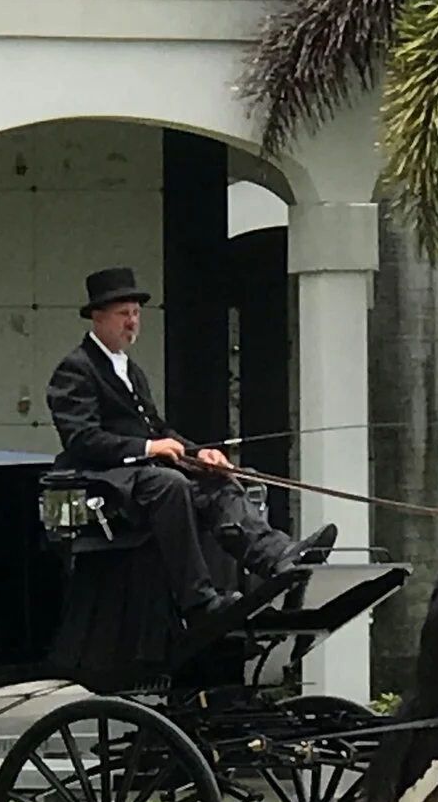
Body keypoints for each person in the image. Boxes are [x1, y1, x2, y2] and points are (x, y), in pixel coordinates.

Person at [48, 266, 336, 626]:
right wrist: (148, 448)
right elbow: (81, 438)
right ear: (98, 316)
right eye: (124, 314)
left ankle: (277, 556)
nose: (132, 323)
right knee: (171, 485)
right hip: (106, 479)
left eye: (136, 314)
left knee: (222, 477)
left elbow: (158, 428)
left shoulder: (131, 370)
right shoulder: (76, 368)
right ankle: (198, 601)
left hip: (141, 471)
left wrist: (199, 454)